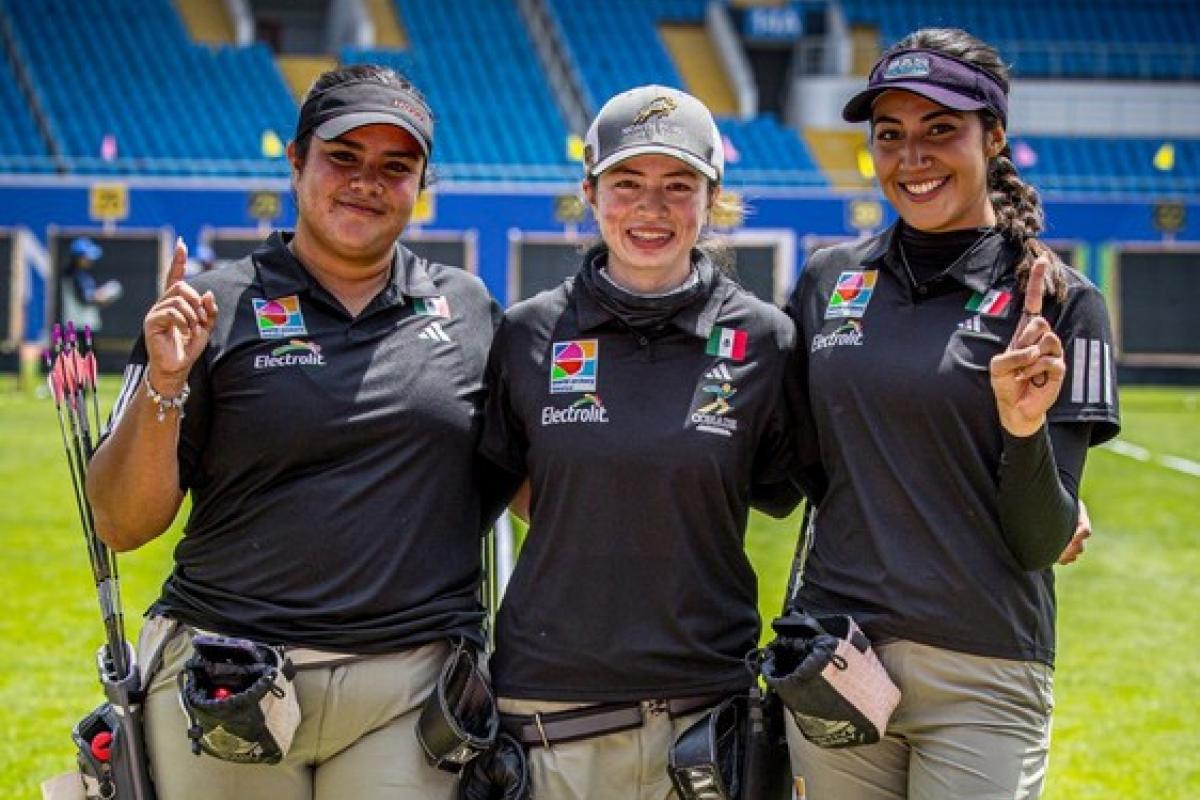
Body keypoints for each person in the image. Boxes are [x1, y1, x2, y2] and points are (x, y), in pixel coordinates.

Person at [85, 64, 500, 800]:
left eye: (395, 167)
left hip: (409, 688)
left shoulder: (466, 309)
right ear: (297, 160)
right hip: (229, 672)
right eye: (344, 157)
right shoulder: (207, 304)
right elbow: (120, 521)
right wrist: (165, 382)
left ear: (421, 185)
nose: (367, 182)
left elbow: (531, 479)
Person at [781, 28, 1121, 799]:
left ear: (994, 136)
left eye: (941, 130)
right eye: (890, 135)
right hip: (839, 655)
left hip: (984, 667)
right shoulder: (828, 280)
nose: (912, 158)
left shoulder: (1062, 302)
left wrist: (1023, 428)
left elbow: (1040, 538)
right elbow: (779, 464)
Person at [477, 85, 806, 799]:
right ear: (590, 192)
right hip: (549, 707)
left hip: (704, 710)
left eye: (678, 185)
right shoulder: (527, 333)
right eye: (627, 183)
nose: (651, 209)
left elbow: (800, 488)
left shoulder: (765, 340)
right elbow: (511, 489)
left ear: (712, 197)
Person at [61, 236, 122, 331]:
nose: (90, 260)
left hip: (85, 326)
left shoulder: (82, 275)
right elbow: (85, 299)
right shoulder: (73, 276)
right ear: (78, 258)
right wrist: (103, 295)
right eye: (86, 257)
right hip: (77, 327)